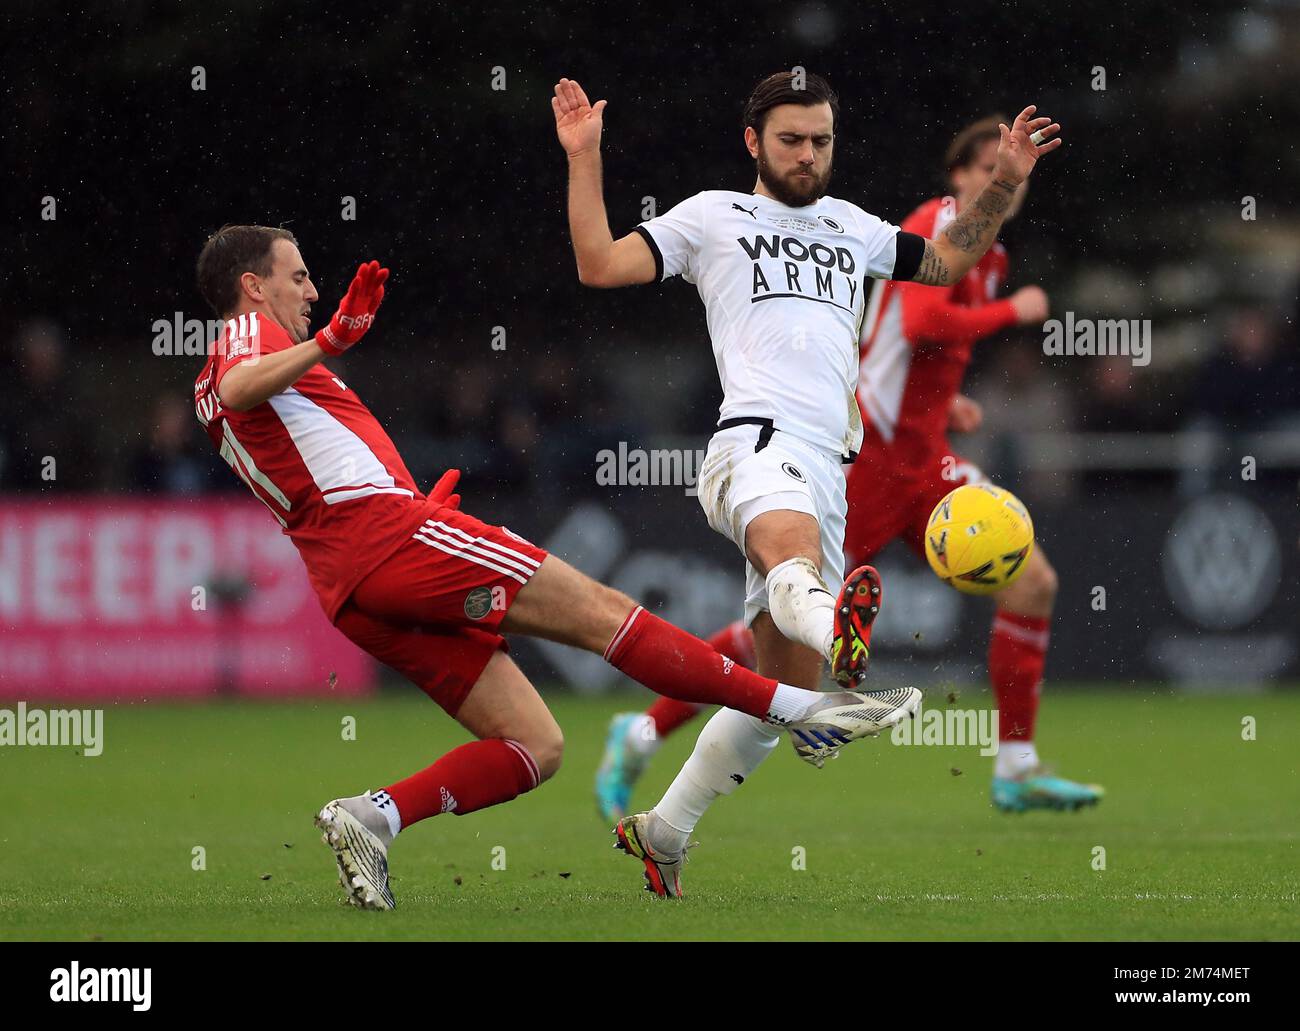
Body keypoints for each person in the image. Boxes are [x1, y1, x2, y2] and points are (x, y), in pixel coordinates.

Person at [191, 225, 898, 908]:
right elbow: (241, 386)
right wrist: (329, 342)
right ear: (252, 286)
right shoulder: (251, 336)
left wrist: (405, 503)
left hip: (350, 577)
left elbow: (276, 437)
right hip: (386, 538)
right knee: (602, 615)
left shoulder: (216, 372)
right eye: (298, 274)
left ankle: (371, 818)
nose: (313, 289)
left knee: (535, 743)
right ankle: (806, 710)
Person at [556, 74, 1062, 894]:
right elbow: (598, 263)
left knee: (780, 698)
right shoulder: (713, 214)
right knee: (797, 579)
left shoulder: (851, 227)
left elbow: (947, 259)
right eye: (790, 139)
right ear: (753, 142)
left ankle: (665, 828)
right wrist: (584, 158)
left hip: (830, 465)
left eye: (821, 140)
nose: (807, 154)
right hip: (754, 443)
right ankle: (843, 634)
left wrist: (1003, 181)